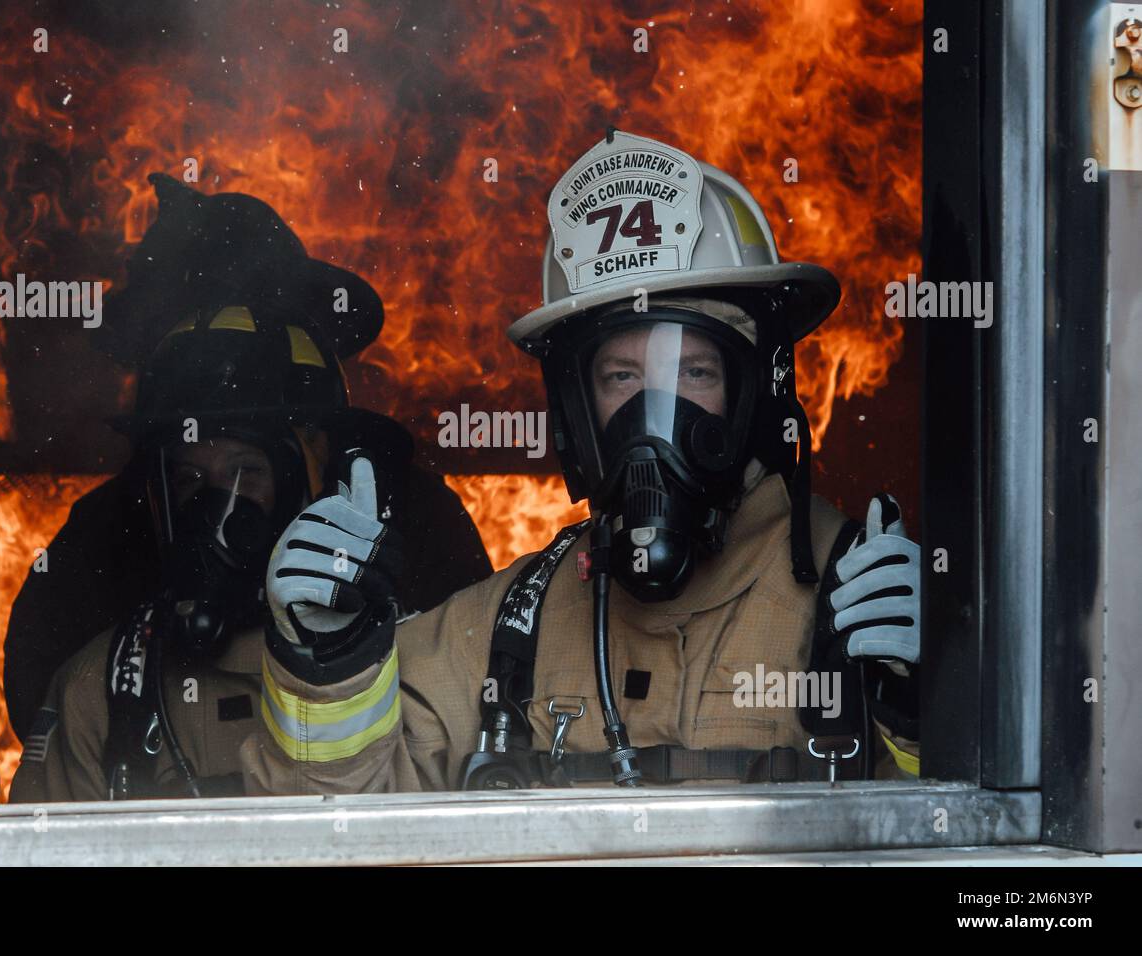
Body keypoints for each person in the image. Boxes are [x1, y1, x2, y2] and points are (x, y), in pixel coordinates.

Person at [242, 131, 922, 794]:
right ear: (576, 409)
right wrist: (327, 662)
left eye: (695, 371)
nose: (656, 416)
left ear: (754, 392)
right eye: (622, 378)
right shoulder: (507, 631)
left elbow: (965, 834)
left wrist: (926, 702)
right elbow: (324, 821)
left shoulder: (866, 604)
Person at [3, 175, 491, 754]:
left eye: (247, 471)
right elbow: (47, 718)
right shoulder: (108, 534)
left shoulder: (408, 521)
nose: (216, 504)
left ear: (314, 460)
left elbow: (475, 715)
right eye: (189, 477)